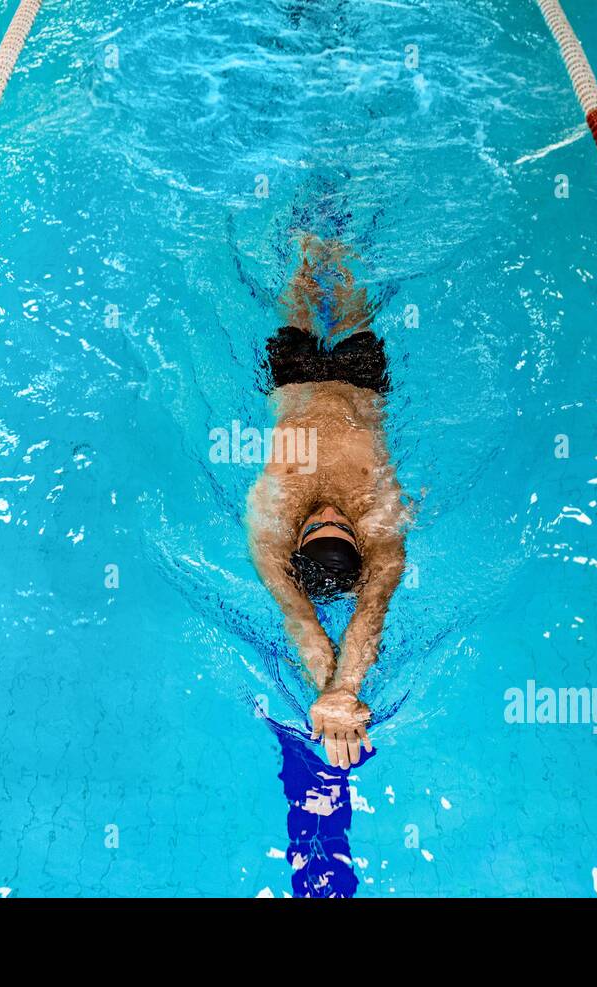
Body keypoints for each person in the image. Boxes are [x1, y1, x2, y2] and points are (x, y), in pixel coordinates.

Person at [248, 236, 407, 768]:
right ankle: (334, 249)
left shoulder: (271, 526)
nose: (332, 513)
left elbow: (299, 617)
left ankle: (305, 251)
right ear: (359, 540)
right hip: (362, 384)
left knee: (298, 293)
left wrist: (329, 690)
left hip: (292, 383)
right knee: (349, 297)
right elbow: (374, 606)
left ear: (299, 539)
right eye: (342, 526)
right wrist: (348, 687)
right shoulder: (379, 522)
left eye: (320, 525)